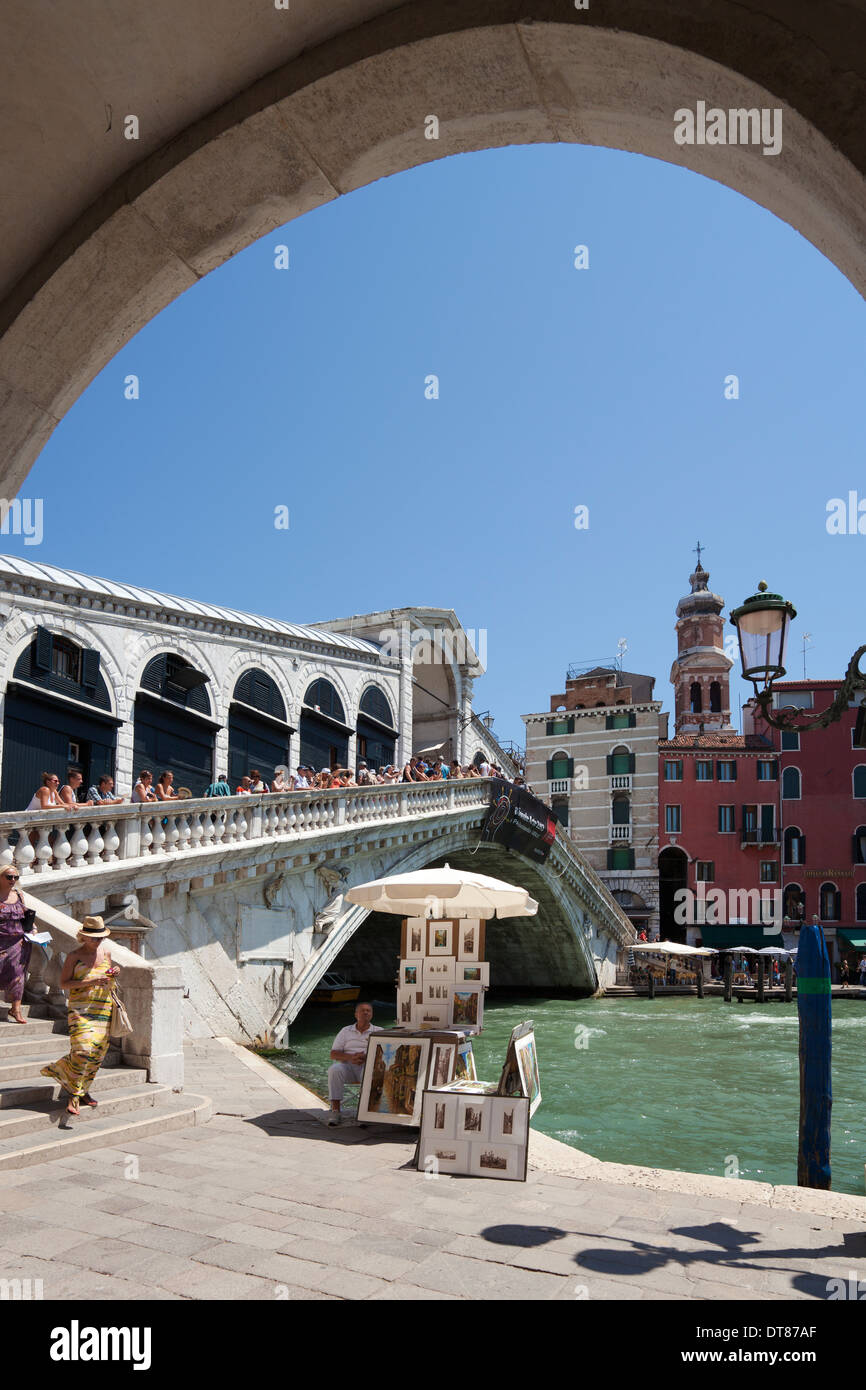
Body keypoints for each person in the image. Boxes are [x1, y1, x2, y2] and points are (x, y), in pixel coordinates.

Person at [40, 915, 120, 1115]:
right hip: (80, 1010)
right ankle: (73, 1097)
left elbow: (107, 978)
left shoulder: (107, 953)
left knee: (96, 1053)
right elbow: (64, 984)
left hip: (103, 1009)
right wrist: (90, 982)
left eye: (101, 938)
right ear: (84, 937)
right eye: (94, 938)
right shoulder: (74, 956)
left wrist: (113, 972)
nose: (98, 941)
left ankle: (82, 1088)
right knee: (82, 1050)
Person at [327, 1002, 381, 1125]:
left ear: (372, 1015)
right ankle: (335, 1110)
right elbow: (333, 1054)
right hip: (348, 1066)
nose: (366, 1013)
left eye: (369, 1011)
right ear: (356, 1014)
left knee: (369, 1073)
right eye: (363, 1010)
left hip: (367, 1066)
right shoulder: (345, 1031)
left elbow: (383, 1054)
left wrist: (366, 1057)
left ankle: (364, 1112)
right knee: (334, 1069)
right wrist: (351, 1057)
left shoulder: (379, 1031)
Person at [0, 866, 38, 1025]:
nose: (13, 880)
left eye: (16, 877)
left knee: (18, 974)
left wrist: (33, 927)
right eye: (9, 877)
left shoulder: (19, 895)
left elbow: (25, 916)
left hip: (18, 941)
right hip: (1, 940)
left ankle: (16, 1008)